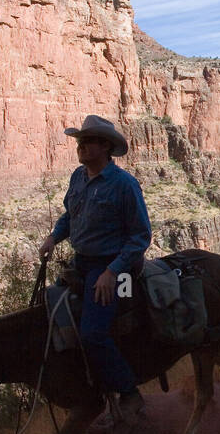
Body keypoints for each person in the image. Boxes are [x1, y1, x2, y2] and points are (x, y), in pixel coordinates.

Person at [38, 115, 152, 417]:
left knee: (92, 334)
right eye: (80, 141)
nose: (81, 147)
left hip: (114, 265)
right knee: (51, 317)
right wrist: (53, 237)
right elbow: (69, 216)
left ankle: (129, 392)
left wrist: (112, 272)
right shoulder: (78, 177)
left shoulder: (124, 185)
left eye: (87, 142)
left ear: (105, 147)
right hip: (82, 262)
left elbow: (141, 235)